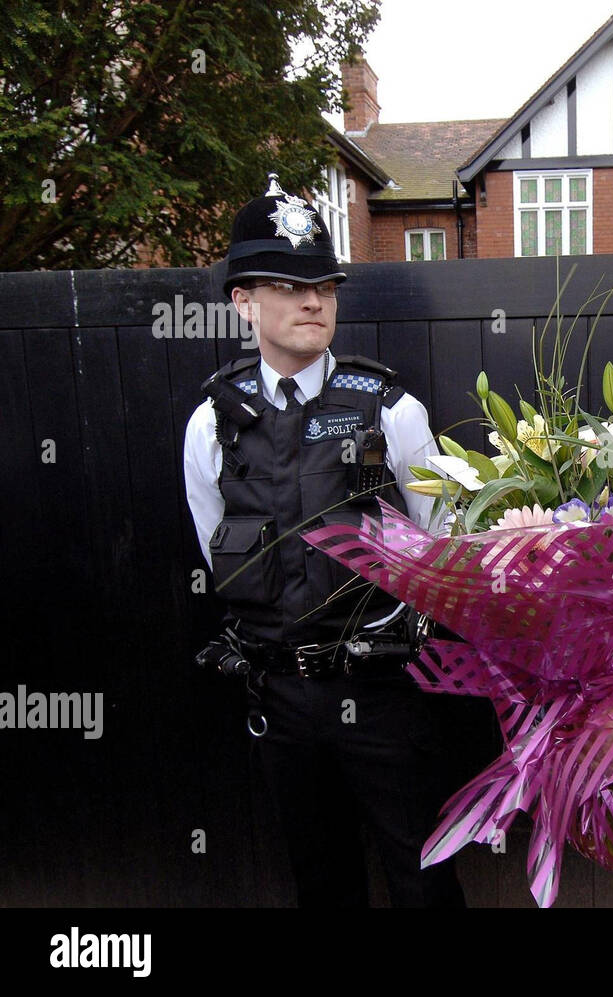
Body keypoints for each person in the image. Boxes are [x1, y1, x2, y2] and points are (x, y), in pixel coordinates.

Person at [183, 174, 464, 907]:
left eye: (325, 285)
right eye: (286, 283)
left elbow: (441, 552)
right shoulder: (212, 423)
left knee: (425, 874)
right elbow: (216, 544)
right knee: (321, 880)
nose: (313, 300)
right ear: (242, 300)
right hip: (277, 695)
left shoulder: (392, 410)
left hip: (382, 691)